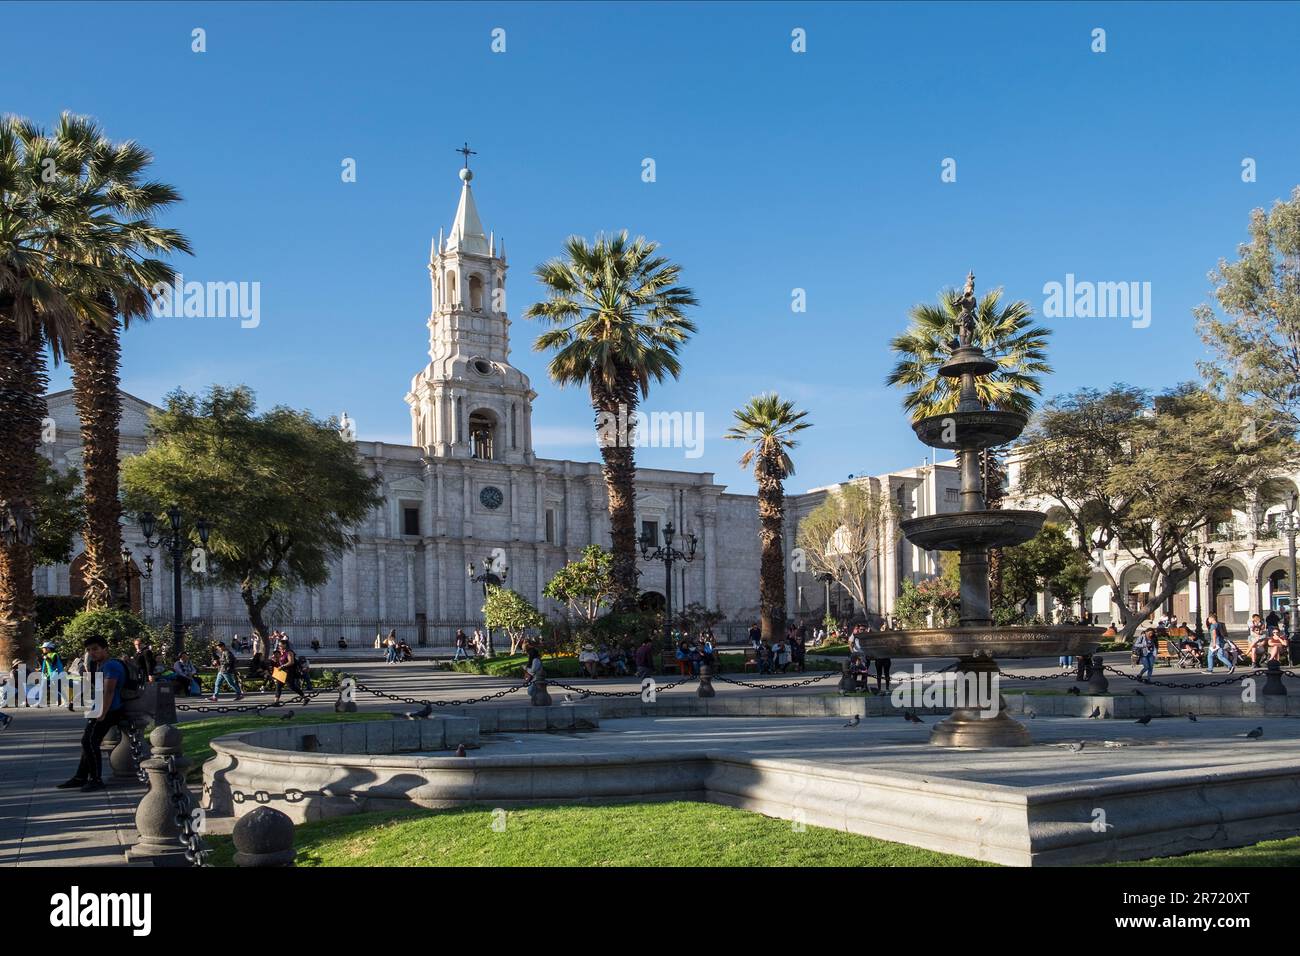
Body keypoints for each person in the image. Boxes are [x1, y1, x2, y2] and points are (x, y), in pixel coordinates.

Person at [57, 635, 127, 792]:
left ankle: (95, 779)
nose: (91, 653)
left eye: (95, 649)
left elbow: (109, 691)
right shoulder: (101, 665)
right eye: (88, 650)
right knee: (88, 742)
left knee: (89, 742)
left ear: (105, 649)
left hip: (110, 710)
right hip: (102, 708)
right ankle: (80, 777)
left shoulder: (111, 666)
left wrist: (102, 713)